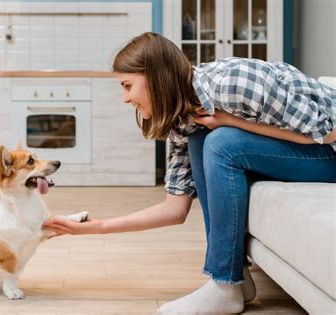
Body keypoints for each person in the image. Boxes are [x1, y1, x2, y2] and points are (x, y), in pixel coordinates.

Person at [43, 32, 336, 314]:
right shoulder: (185, 118)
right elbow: (175, 208)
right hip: (305, 150)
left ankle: (224, 285)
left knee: (221, 141)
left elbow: (327, 132)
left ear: (156, 77)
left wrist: (230, 121)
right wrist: (97, 227)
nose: (125, 98)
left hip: (329, 151)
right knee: (203, 138)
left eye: (127, 85)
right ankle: (237, 278)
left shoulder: (233, 83)